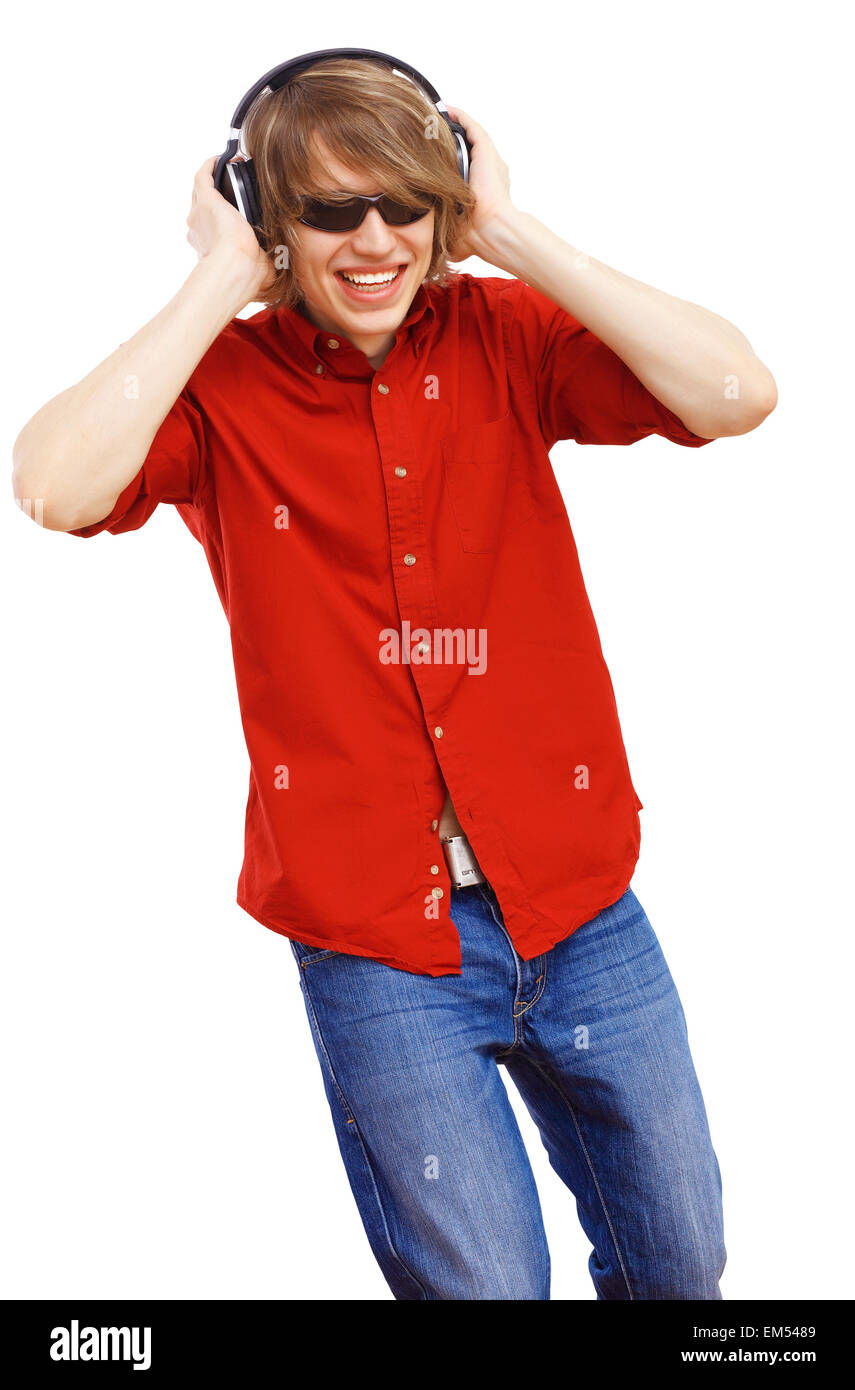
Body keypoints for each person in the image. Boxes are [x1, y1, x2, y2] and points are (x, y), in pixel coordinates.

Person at [12, 53, 776, 1300]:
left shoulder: (504, 339)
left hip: (577, 905)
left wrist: (512, 233)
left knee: (682, 1268)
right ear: (267, 218)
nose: (373, 240)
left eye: (404, 206)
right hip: (379, 944)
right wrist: (218, 277)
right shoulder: (217, 393)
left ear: (444, 209)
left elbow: (738, 391)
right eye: (325, 210)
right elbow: (51, 483)